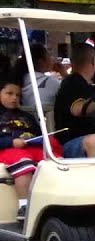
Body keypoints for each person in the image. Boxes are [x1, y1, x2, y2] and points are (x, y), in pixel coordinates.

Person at [0, 79, 60, 220]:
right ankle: (24, 206)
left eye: (18, 95)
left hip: (30, 147)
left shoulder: (26, 116)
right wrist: (11, 142)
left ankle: (57, 201)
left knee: (55, 161)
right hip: (6, 150)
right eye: (9, 93)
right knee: (24, 162)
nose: (15, 98)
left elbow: (38, 133)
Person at [17, 43, 61, 112]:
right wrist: (65, 74)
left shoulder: (19, 80)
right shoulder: (50, 82)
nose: (52, 58)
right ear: (41, 62)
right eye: (49, 55)